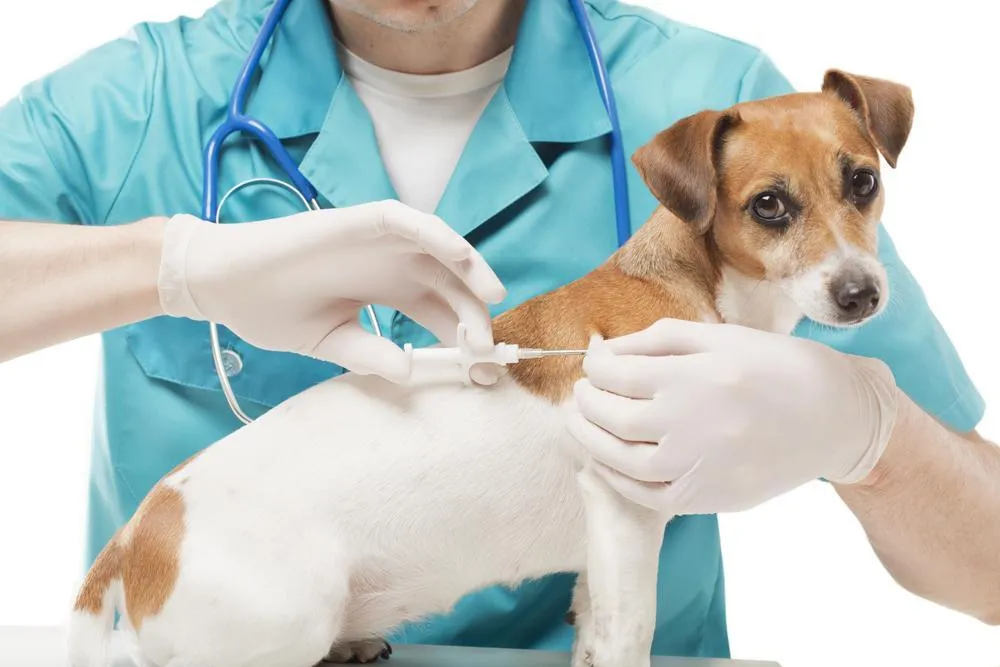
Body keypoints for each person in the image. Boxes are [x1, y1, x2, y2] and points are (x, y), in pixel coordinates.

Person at [0, 0, 996, 659]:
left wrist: (870, 431)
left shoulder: (757, 112)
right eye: (776, 212)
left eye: (861, 190)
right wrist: (170, 263)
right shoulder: (133, 101)